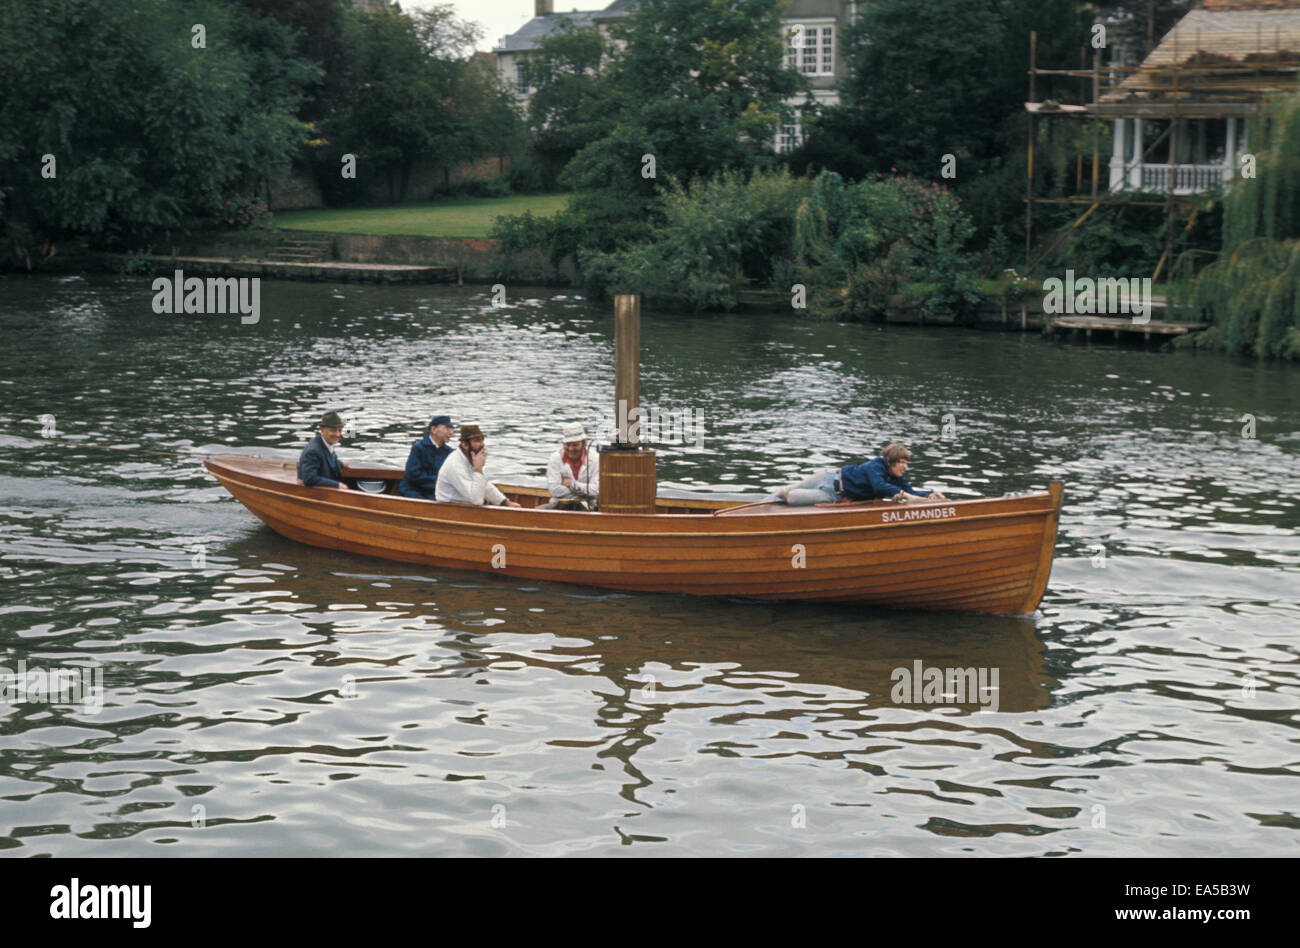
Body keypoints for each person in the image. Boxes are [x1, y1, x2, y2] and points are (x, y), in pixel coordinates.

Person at [774, 442, 946, 506]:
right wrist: (903, 495)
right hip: (828, 477)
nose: (905, 467)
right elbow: (879, 486)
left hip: (832, 494)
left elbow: (911, 492)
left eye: (907, 464)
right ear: (891, 460)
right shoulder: (875, 466)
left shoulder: (897, 476)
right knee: (783, 492)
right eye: (902, 463)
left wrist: (929, 495)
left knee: (792, 498)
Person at [435, 424, 522, 507]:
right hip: (452, 510)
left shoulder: (469, 458)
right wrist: (478, 470)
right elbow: (476, 501)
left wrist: (505, 502)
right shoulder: (454, 465)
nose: (482, 444)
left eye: (482, 440)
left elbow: (484, 486)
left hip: (467, 508)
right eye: (477, 441)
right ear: (465, 445)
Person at [544, 422, 599, 509]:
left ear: (584, 444)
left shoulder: (595, 459)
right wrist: (583, 492)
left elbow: (596, 490)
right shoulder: (555, 458)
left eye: (575, 445)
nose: (571, 449)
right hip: (558, 505)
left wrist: (571, 484)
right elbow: (554, 491)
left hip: (589, 506)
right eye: (567, 445)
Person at [398, 414, 454, 500]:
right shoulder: (418, 448)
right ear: (434, 429)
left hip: (436, 490)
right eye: (447, 428)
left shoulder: (450, 452)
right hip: (414, 489)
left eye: (451, 429)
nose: (451, 433)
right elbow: (413, 475)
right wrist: (441, 483)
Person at [298, 410, 350, 491]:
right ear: (322, 430)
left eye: (339, 430)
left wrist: (340, 463)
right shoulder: (313, 451)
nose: (337, 434)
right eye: (333, 430)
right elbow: (309, 479)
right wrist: (337, 485)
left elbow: (327, 461)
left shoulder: (327, 443)